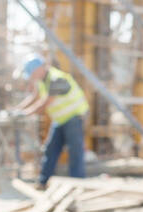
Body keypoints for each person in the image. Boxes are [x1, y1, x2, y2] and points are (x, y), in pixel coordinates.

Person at [13, 56, 89, 187]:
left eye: (32, 74)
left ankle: (78, 184)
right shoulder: (42, 81)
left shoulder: (56, 78)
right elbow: (34, 97)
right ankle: (43, 182)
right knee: (51, 150)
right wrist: (17, 110)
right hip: (60, 120)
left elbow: (44, 103)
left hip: (74, 117)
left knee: (75, 152)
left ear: (38, 69)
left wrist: (25, 114)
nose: (31, 77)